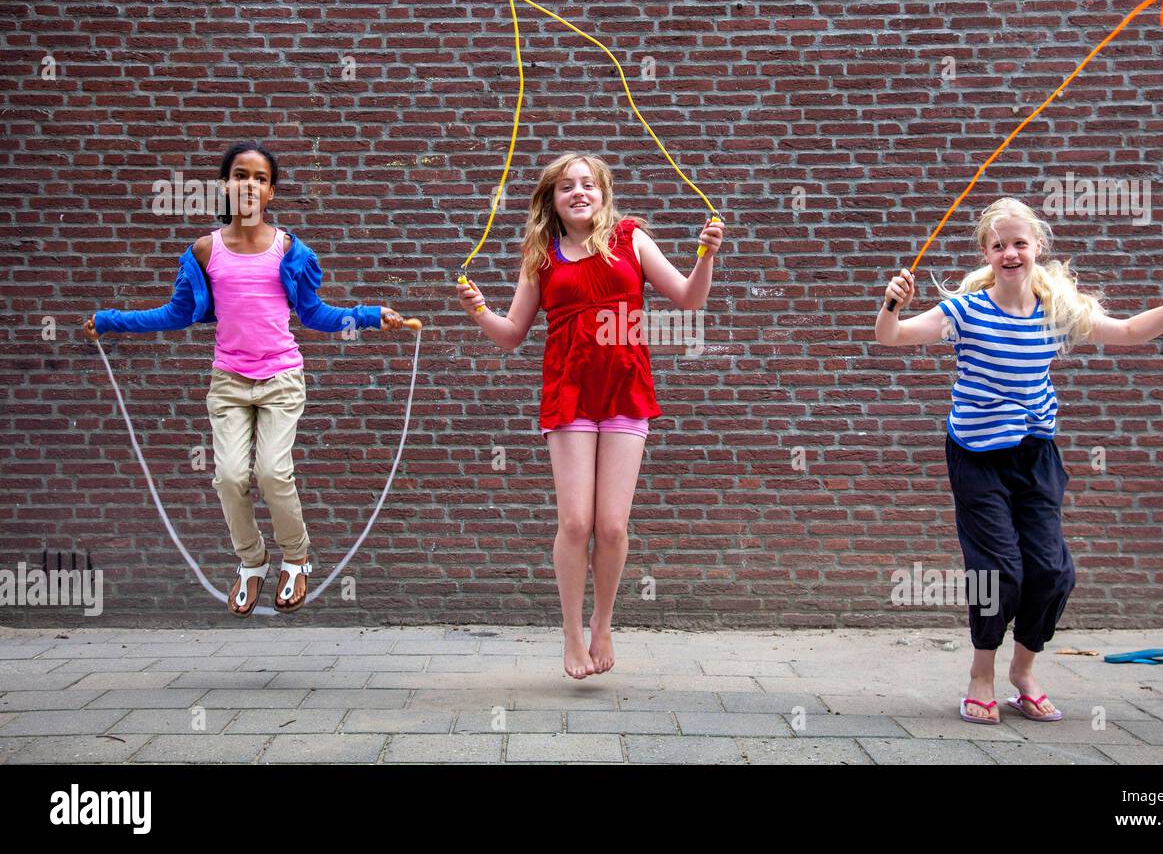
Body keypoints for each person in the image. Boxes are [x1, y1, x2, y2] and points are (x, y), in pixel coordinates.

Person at [874, 197, 1163, 723]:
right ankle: (980, 675)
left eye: (1019, 243)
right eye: (999, 245)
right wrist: (891, 304)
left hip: (1036, 456)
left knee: (1053, 570)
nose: (1010, 253)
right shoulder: (964, 311)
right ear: (986, 254)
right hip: (976, 455)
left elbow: (1128, 332)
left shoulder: (1057, 313)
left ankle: (1024, 672)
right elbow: (891, 338)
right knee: (998, 571)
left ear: (1037, 247)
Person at [84, 141, 406, 616]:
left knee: (273, 473)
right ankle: (252, 563)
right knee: (230, 476)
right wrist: (111, 321)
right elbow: (174, 315)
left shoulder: (290, 251)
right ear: (226, 186)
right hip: (229, 382)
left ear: (271, 191)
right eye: (240, 175)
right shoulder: (203, 250)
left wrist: (369, 314)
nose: (249, 184)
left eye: (259, 178)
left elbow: (315, 314)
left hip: (281, 378)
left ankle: (295, 559)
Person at [457, 153, 724, 678]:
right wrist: (478, 311)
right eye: (565, 187)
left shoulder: (631, 239)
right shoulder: (541, 255)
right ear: (551, 200)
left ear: (603, 192)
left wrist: (706, 255)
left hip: (625, 391)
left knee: (613, 525)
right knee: (576, 522)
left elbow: (689, 299)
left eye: (588, 184)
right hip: (569, 393)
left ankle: (603, 622)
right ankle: (572, 635)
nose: (578, 193)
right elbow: (512, 334)